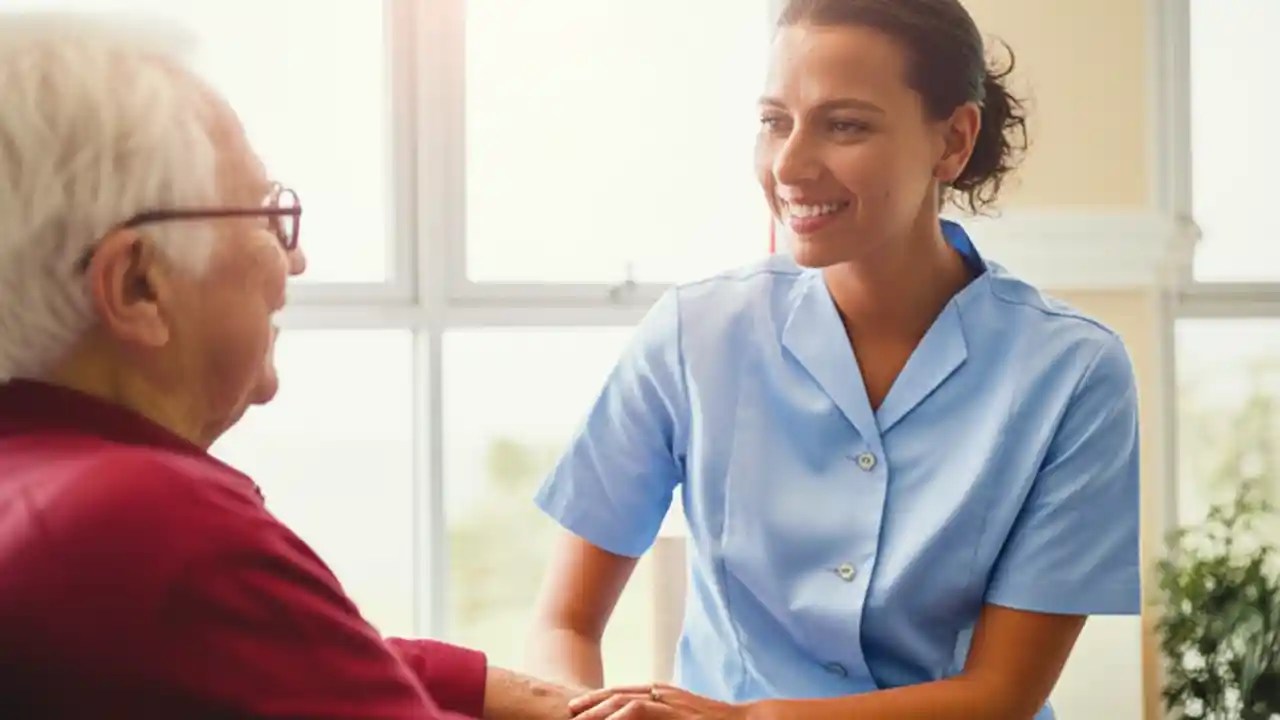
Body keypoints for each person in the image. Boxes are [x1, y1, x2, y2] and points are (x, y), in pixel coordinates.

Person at [528, 1, 1141, 719]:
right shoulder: (695, 335)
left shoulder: (1071, 372)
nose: (789, 164)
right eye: (774, 121)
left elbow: (1001, 696)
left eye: (844, 124)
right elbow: (564, 624)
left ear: (953, 141)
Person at [0, 14, 576, 719]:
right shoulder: (156, 524)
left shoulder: (38, 487)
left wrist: (528, 696)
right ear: (137, 286)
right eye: (264, 218)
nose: (295, 259)